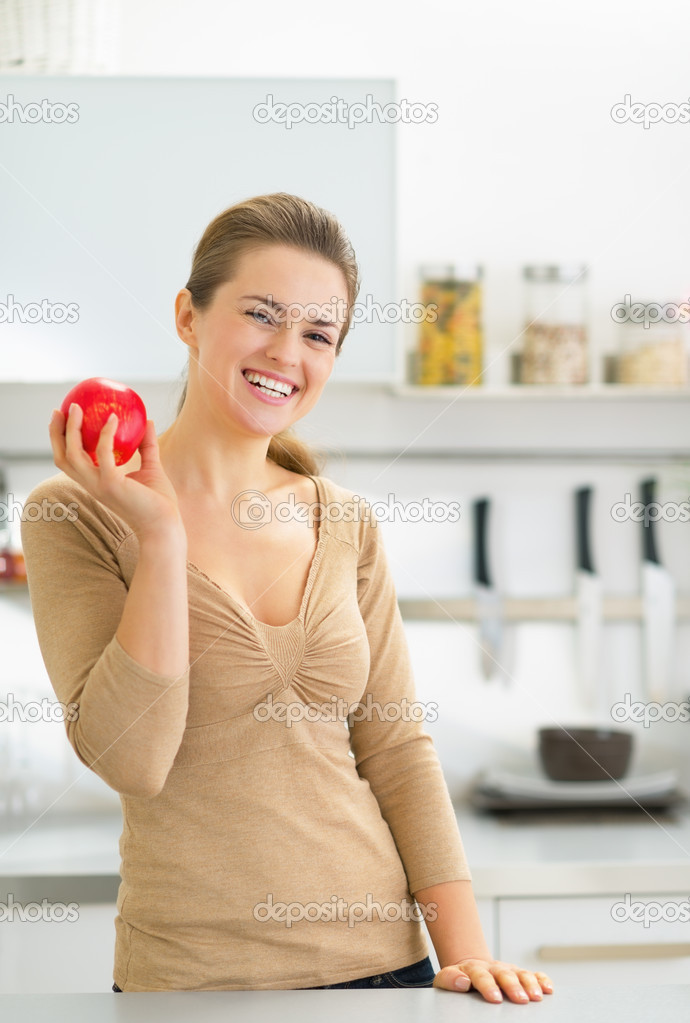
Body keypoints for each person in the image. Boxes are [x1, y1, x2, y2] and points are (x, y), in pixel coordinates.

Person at [21, 192, 552, 1002]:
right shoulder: (74, 513)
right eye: (261, 314)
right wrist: (161, 539)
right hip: (194, 984)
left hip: (389, 970)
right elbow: (134, 759)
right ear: (188, 316)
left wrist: (466, 953)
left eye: (317, 333)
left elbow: (397, 748)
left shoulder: (344, 520)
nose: (284, 352)